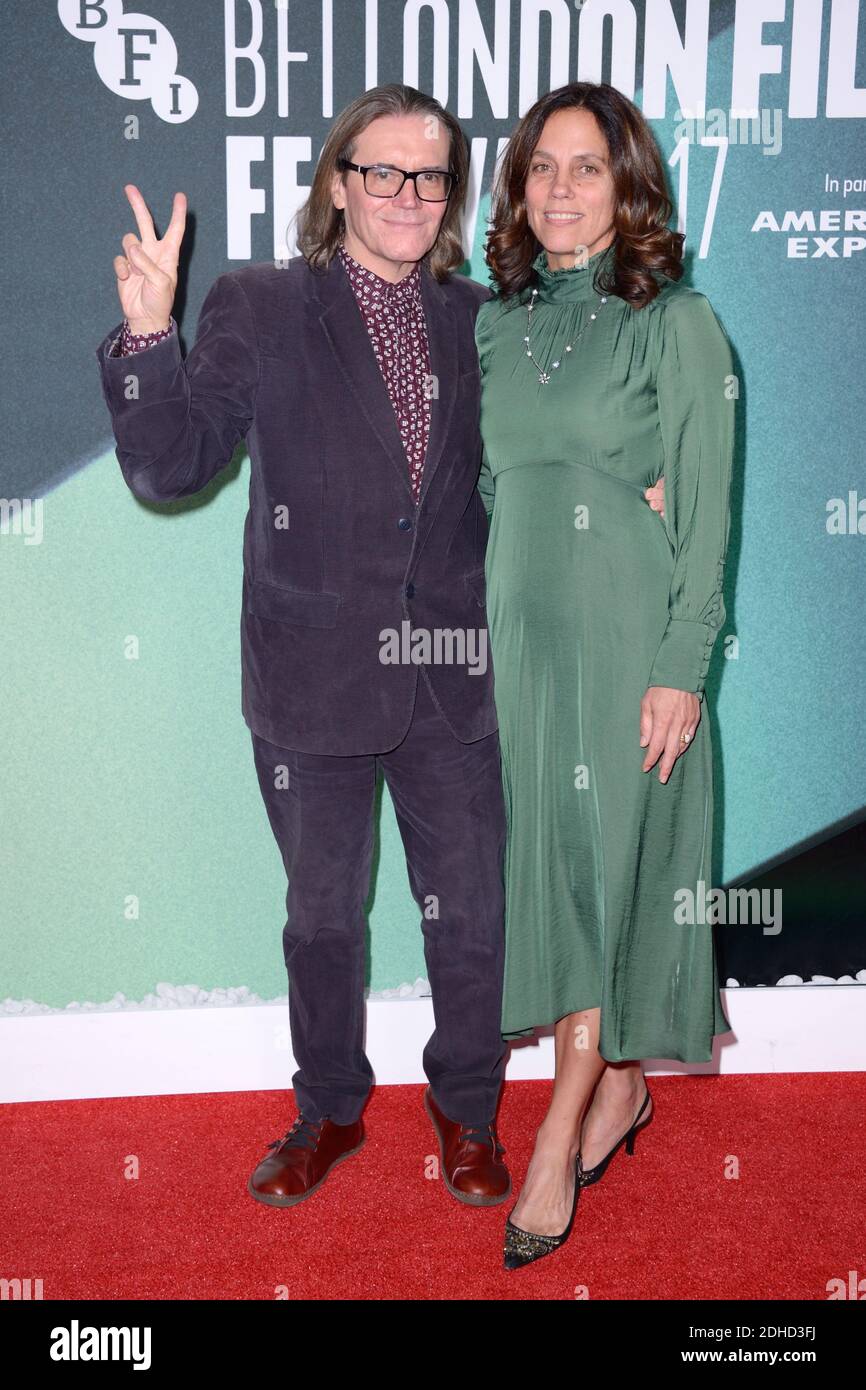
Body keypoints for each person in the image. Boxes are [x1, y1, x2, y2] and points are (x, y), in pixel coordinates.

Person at [94, 84, 517, 1212]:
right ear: (338, 184)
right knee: (322, 919)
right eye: (381, 171)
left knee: (471, 913)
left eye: (429, 176)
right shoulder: (258, 304)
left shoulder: (482, 319)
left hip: (449, 678)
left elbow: (527, 476)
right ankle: (328, 1109)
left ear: (450, 195)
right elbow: (172, 465)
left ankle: (467, 1113)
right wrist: (147, 336)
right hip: (311, 679)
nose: (407, 195)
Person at [473, 82, 736, 1269]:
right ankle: (623, 1087)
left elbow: (707, 508)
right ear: (517, 188)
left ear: (628, 187)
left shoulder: (674, 322)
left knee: (604, 880)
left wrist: (682, 663)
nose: (561, 190)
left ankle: (559, 1127)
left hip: (628, 641)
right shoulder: (493, 321)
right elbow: (493, 486)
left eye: (588, 168)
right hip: (523, 648)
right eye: (541, 168)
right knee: (564, 872)